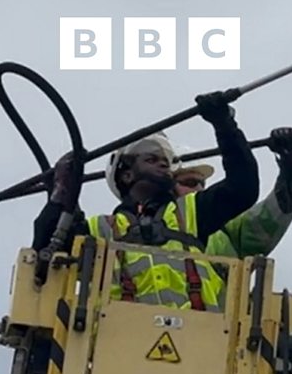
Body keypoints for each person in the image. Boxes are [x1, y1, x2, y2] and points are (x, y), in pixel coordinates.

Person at [32, 91, 259, 311]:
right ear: (126, 175)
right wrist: (61, 192)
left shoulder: (189, 213)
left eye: (166, 161)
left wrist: (224, 125)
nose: (163, 163)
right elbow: (46, 251)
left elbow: (243, 187)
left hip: (199, 332)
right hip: (119, 335)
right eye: (151, 159)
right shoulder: (100, 230)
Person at [174, 127, 292, 259]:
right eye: (190, 182)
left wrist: (289, 166)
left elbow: (273, 215)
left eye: (202, 183)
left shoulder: (225, 230)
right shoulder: (160, 224)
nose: (198, 188)